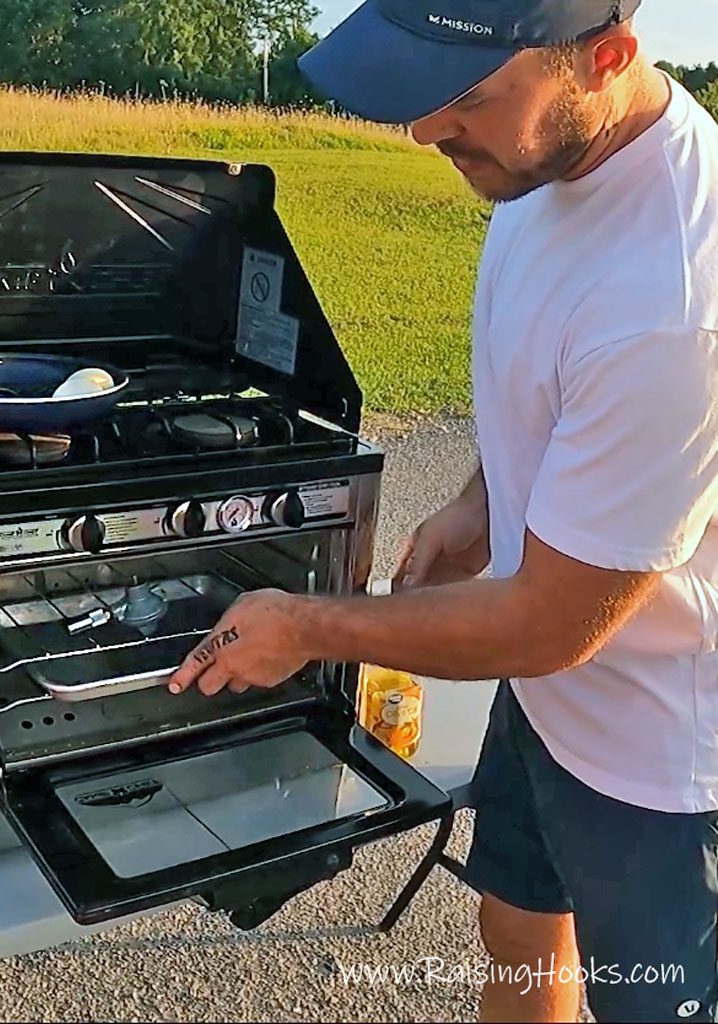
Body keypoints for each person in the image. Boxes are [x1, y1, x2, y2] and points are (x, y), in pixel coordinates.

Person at [169, 1, 718, 1021]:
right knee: (513, 929)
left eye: (463, 96)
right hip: (546, 703)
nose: (425, 130)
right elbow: (552, 386)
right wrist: (477, 502)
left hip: (656, 755)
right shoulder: (536, 161)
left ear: (606, 59)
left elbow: (548, 621)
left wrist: (305, 626)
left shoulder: (675, 296)